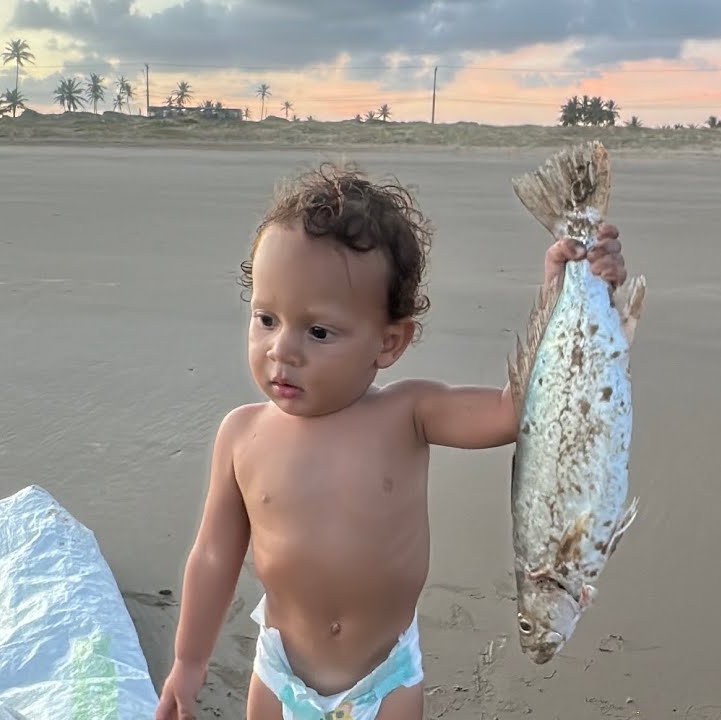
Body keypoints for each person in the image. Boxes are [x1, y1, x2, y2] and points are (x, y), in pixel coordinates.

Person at [154, 161, 628, 720]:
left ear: (389, 343)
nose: (282, 349)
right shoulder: (241, 435)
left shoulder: (410, 413)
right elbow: (213, 554)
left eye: (318, 331)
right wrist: (189, 661)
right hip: (280, 673)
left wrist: (564, 285)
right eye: (265, 318)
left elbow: (514, 411)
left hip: (386, 680)